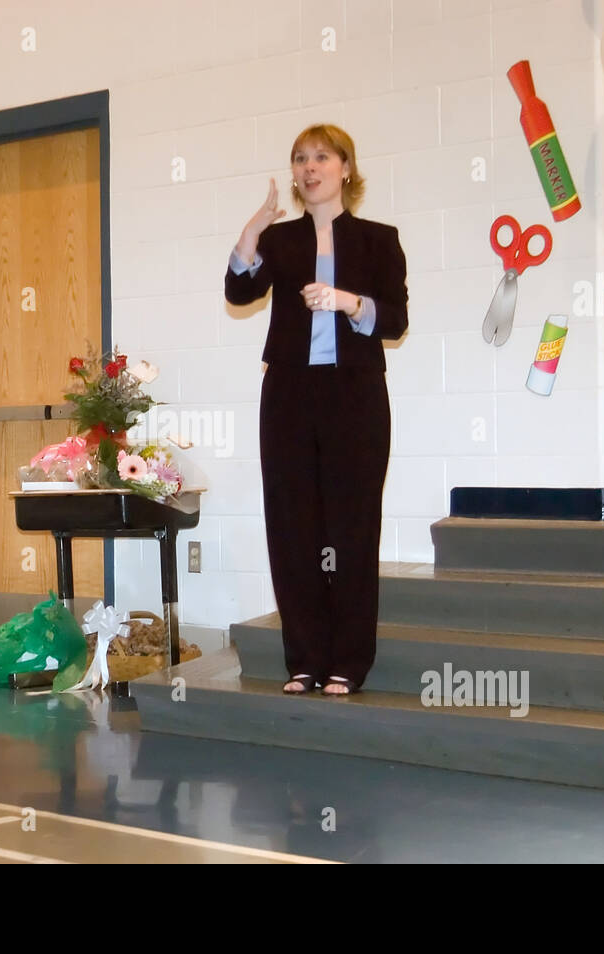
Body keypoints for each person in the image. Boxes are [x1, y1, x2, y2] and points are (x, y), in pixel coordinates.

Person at [224, 125, 409, 696]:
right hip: (288, 396)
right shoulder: (280, 242)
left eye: (321, 157)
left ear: (346, 168)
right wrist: (253, 229)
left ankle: (349, 662)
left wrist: (349, 302)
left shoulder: (379, 239)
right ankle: (303, 658)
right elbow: (239, 293)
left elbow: (396, 320)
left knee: (351, 529)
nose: (309, 168)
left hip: (354, 397)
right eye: (300, 158)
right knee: (292, 525)